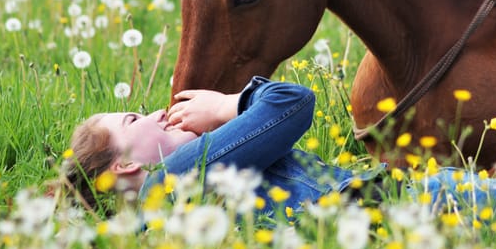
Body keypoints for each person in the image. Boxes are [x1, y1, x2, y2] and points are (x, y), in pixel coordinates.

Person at [65, 76, 385, 215]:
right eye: (133, 119)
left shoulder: (168, 203)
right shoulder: (173, 175)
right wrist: (224, 106)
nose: (158, 112)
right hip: (385, 205)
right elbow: (292, 101)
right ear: (123, 165)